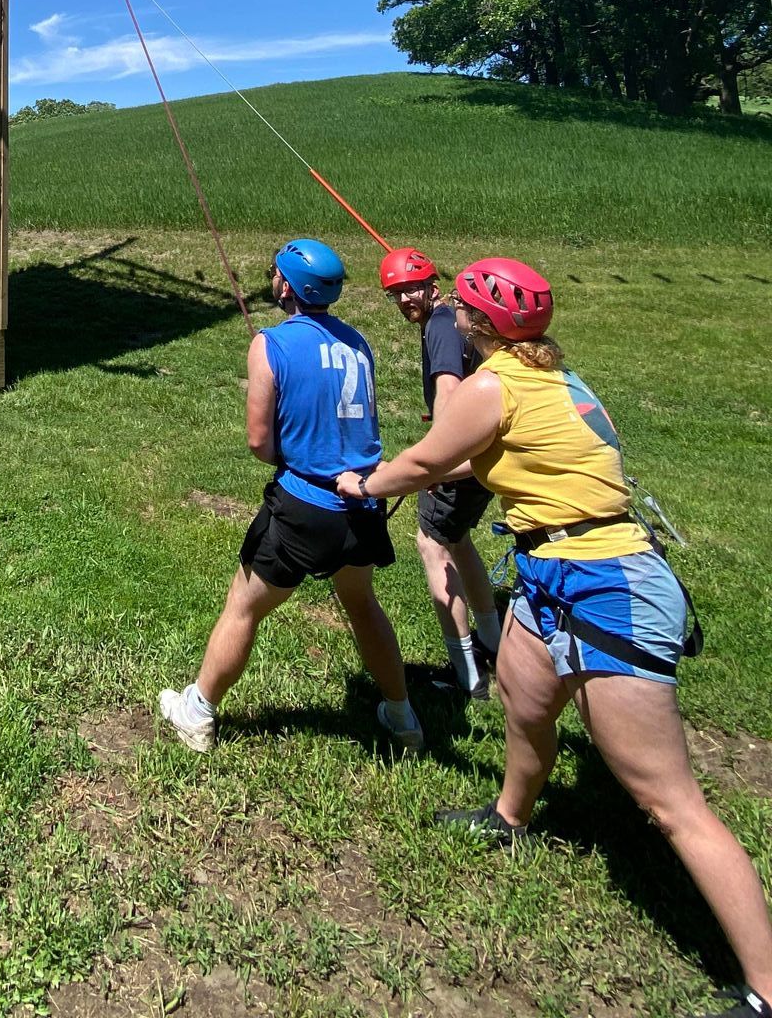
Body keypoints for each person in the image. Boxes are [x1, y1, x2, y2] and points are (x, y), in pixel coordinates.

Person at [335, 256, 772, 1018]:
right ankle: (510, 818)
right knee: (525, 697)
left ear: (471, 323)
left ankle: (767, 987)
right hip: (550, 570)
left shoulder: (491, 384)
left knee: (667, 799)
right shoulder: (557, 379)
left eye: (460, 313)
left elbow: (432, 457)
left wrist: (364, 484)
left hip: (608, 584)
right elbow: (489, 454)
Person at [159, 238, 424, 755]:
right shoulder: (358, 343)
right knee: (362, 604)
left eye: (277, 274)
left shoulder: (270, 343)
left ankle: (198, 710)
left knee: (243, 607)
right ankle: (402, 716)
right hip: (362, 503)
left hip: (305, 508)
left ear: (288, 287)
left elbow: (260, 442)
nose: (273, 280)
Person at [380, 246, 501, 699]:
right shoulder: (450, 317)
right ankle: (493, 642)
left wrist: (435, 461)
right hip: (479, 451)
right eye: (396, 293)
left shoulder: (440, 327)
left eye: (412, 288)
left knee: (431, 543)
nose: (405, 299)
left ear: (433, 286)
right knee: (456, 537)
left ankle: (467, 673)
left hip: (460, 456)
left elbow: (447, 389)